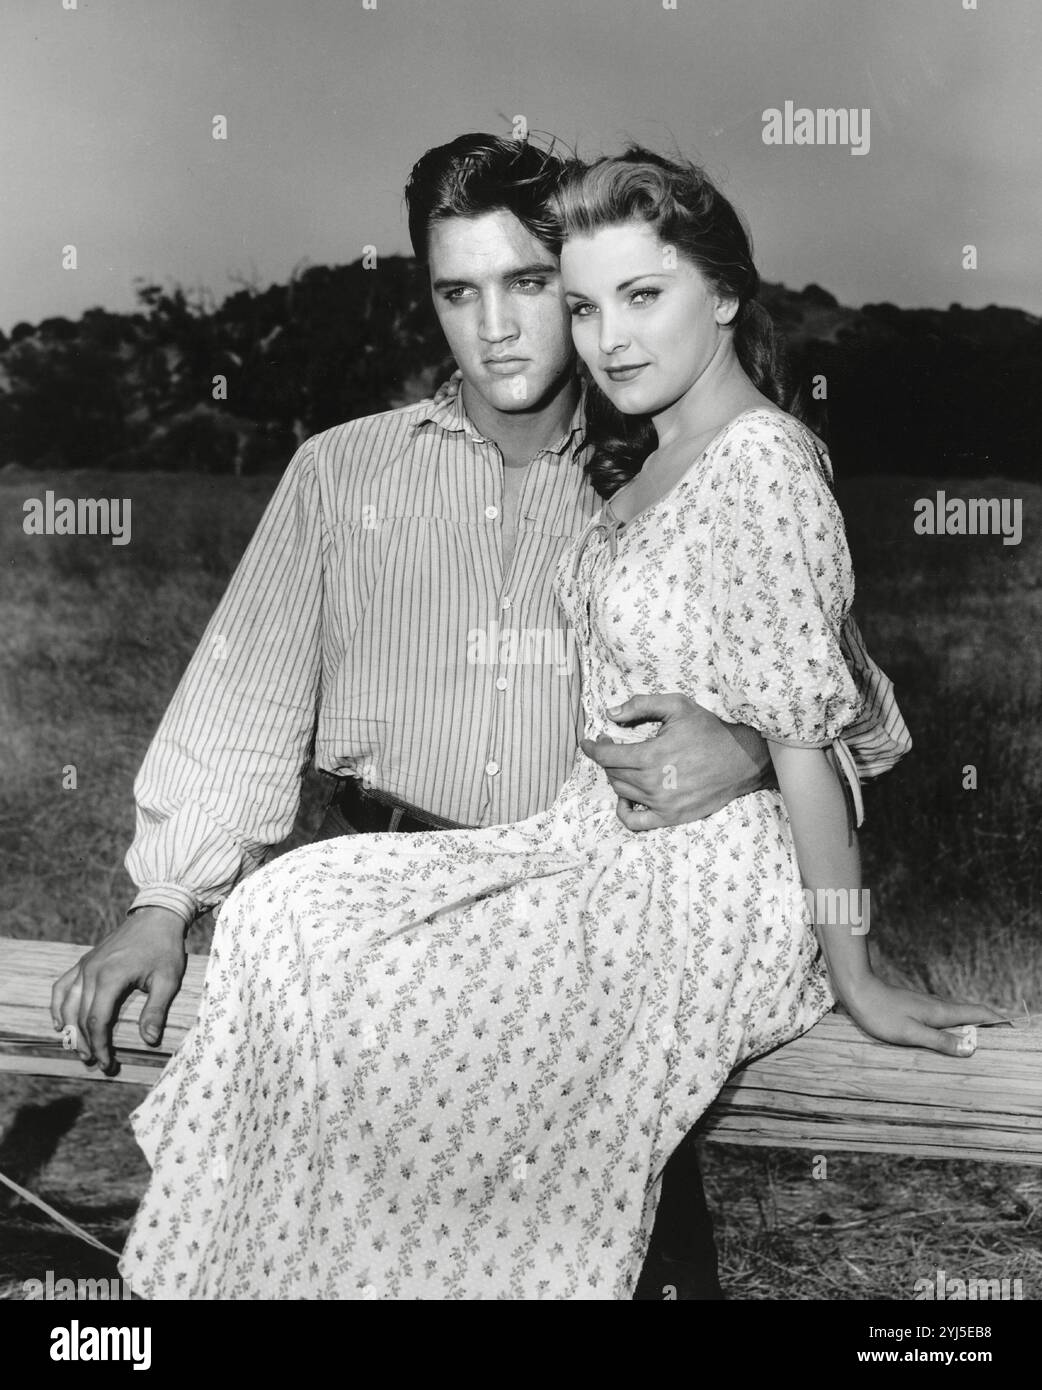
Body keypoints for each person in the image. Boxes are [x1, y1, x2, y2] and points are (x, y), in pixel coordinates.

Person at [104, 145, 999, 1301]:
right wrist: (161, 900)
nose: (502, 329)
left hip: (616, 919)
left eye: (533, 286)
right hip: (437, 883)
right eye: (457, 292)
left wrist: (742, 753)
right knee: (323, 1081)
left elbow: (835, 707)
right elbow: (240, 698)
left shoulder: (676, 459)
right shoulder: (344, 473)